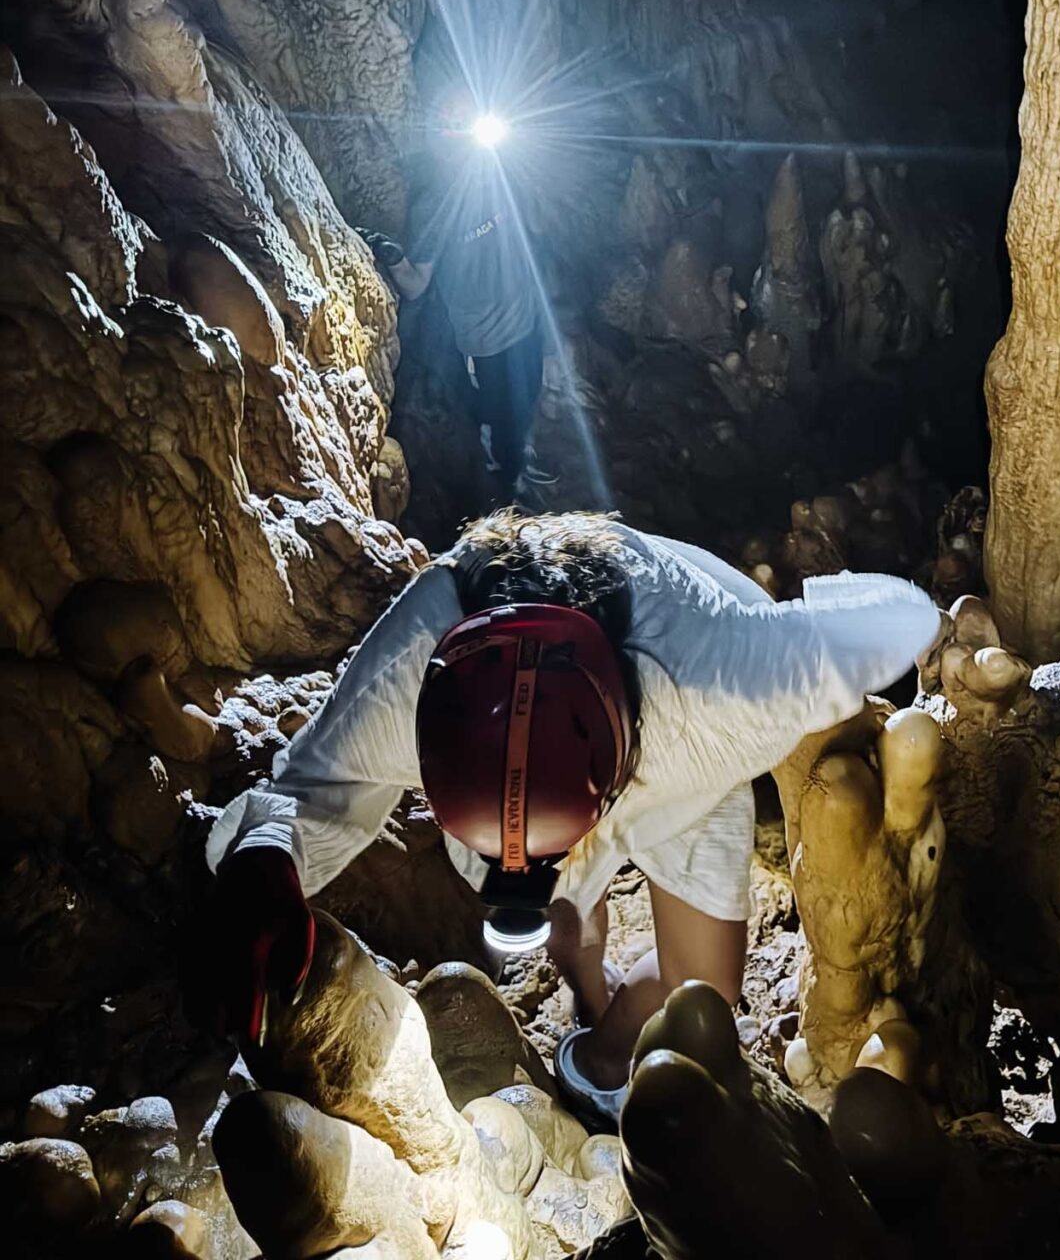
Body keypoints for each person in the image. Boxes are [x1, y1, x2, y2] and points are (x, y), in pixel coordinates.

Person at [207, 510, 941, 1122]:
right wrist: (266, 862)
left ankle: (600, 1039)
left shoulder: (725, 689)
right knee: (550, 915)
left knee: (703, 1005)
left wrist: (812, 621)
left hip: (682, 747)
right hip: (612, 714)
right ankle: (584, 981)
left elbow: (904, 619)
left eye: (560, 849)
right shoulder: (405, 686)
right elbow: (302, 791)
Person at [368, 101, 543, 486]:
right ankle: (506, 479)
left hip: (528, 318)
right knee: (500, 415)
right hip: (485, 340)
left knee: (528, 397)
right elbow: (416, 287)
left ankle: (518, 457)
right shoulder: (435, 207)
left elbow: (532, 226)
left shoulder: (502, 176)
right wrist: (393, 259)